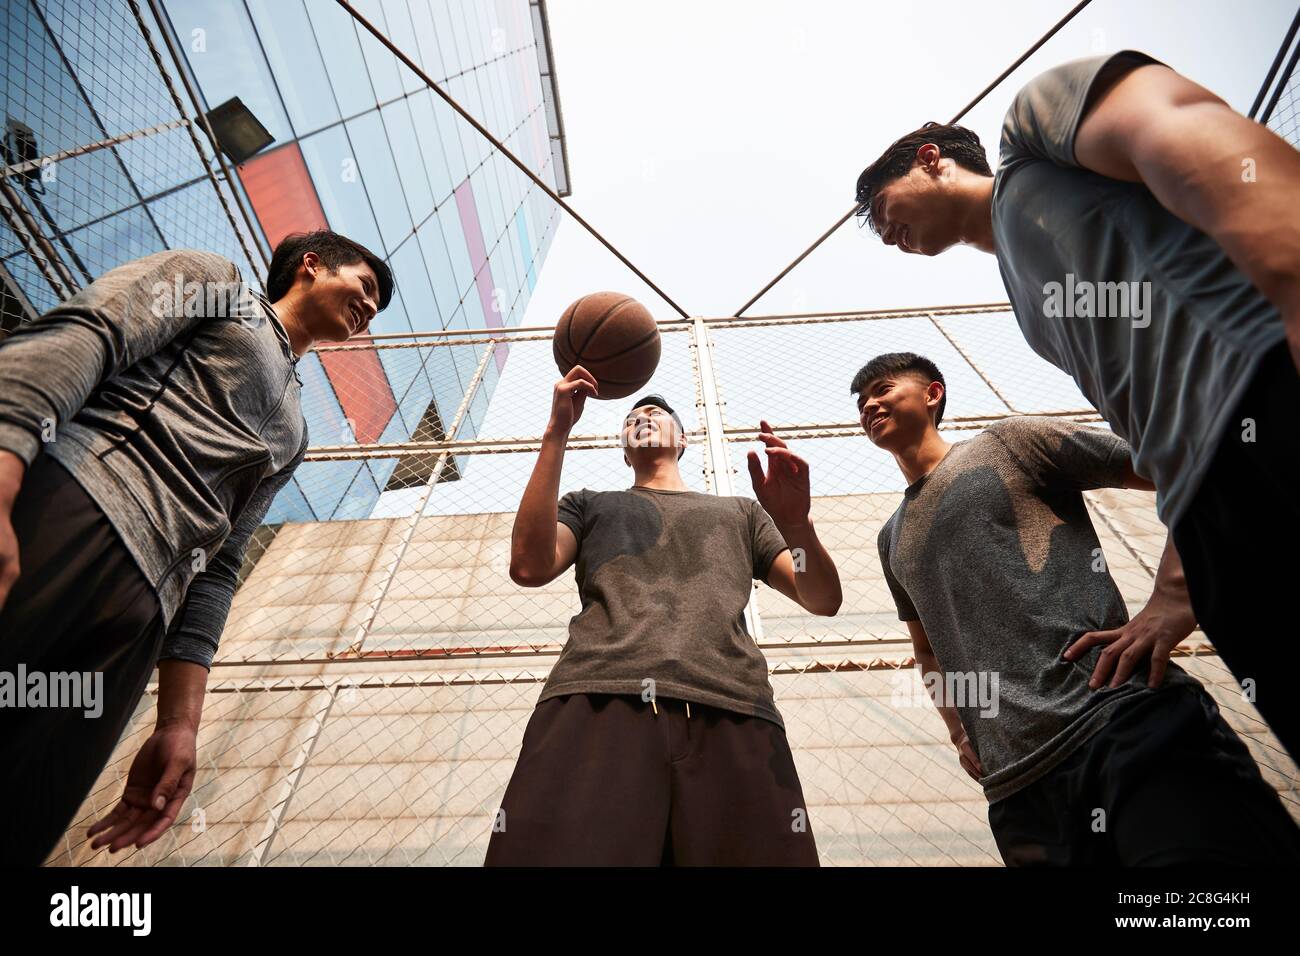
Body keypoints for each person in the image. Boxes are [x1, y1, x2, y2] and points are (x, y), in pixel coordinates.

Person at [852, 50, 1300, 760]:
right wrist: (1180, 586)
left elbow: (1187, 127)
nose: (886, 234)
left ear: (931, 158)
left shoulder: (1032, 135)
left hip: (1272, 387)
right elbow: (1160, 432)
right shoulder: (1027, 304)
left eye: (882, 210)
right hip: (1217, 509)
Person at [0, 230, 393, 864]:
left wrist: (179, 724)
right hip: (80, 505)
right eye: (366, 287)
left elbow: (221, 568)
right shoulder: (219, 283)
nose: (371, 308)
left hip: (142, 618)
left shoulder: (296, 432)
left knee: (22, 809)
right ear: (311, 267)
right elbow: (93, 333)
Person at [854, 350, 1300, 865]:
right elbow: (926, 651)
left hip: (1119, 722)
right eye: (862, 402)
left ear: (933, 393)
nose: (870, 404)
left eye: (883, 389)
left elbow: (1182, 466)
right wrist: (959, 728)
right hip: (1018, 790)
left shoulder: (1008, 443)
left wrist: (1175, 595)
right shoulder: (891, 539)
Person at [485, 366, 842, 865]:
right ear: (622, 447)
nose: (644, 416)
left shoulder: (741, 512)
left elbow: (821, 598)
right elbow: (528, 566)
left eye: (657, 412)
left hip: (732, 706)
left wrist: (796, 523)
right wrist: (556, 432)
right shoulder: (589, 504)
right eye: (633, 415)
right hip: (598, 696)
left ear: (684, 439)